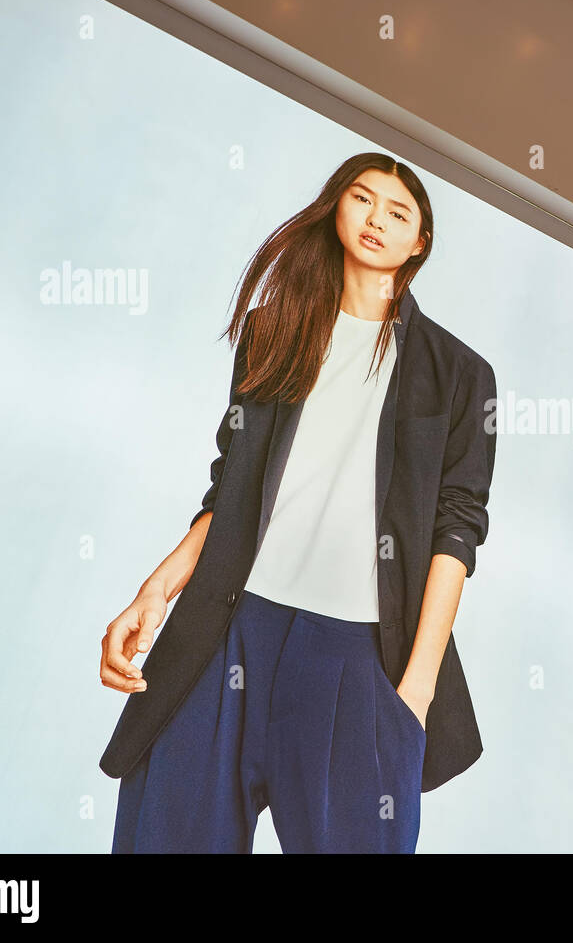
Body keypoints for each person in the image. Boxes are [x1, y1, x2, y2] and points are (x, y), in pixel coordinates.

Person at [98, 152, 498, 853]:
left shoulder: (459, 375)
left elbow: (456, 533)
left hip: (358, 659)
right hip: (226, 632)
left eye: (398, 212)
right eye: (362, 198)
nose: (376, 218)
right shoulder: (271, 331)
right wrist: (156, 590)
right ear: (335, 207)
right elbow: (233, 488)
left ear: (420, 242)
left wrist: (415, 696)